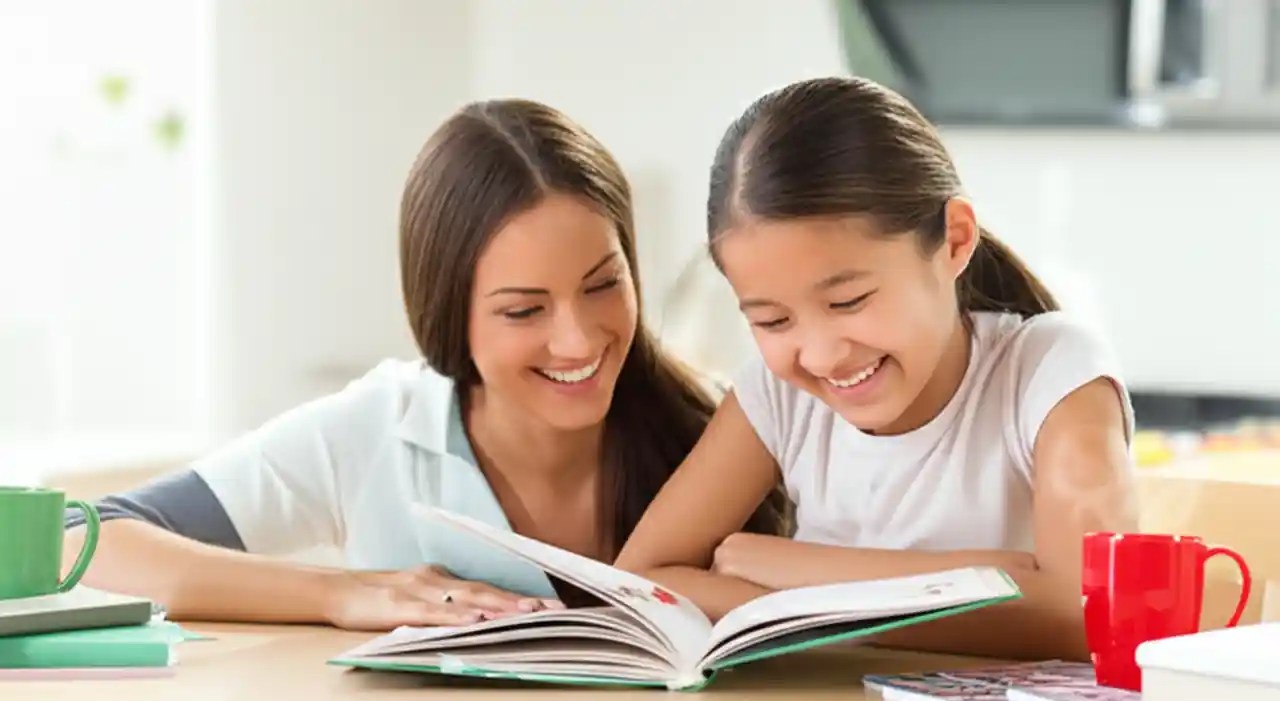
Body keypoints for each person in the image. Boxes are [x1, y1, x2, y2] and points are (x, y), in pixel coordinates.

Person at [63, 98, 781, 631]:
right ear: (447, 312)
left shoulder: (723, 430)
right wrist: (343, 593)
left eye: (602, 285)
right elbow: (82, 537)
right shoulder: (375, 431)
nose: (579, 340)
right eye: (524, 310)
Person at [615, 77, 1137, 660]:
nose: (821, 356)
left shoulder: (1048, 372)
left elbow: (1091, 612)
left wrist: (788, 571)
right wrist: (986, 581)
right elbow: (639, 582)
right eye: (772, 322)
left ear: (954, 242)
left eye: (848, 302)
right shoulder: (779, 397)